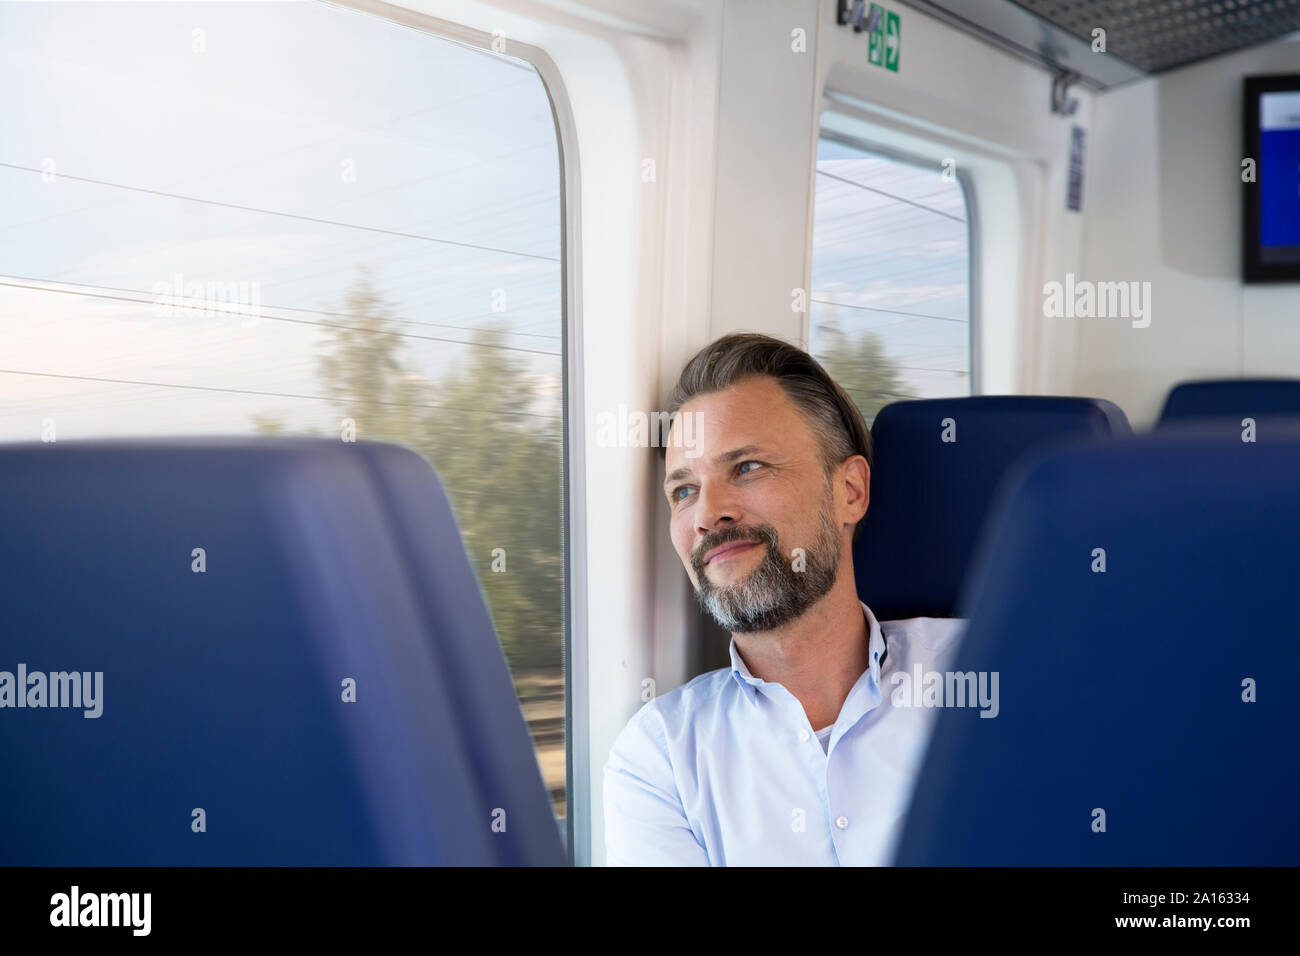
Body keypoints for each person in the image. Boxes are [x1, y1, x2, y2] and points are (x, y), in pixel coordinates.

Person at [603, 332, 965, 865]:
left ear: (850, 492)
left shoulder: (989, 669)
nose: (708, 514)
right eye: (684, 491)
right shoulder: (661, 759)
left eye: (747, 467)